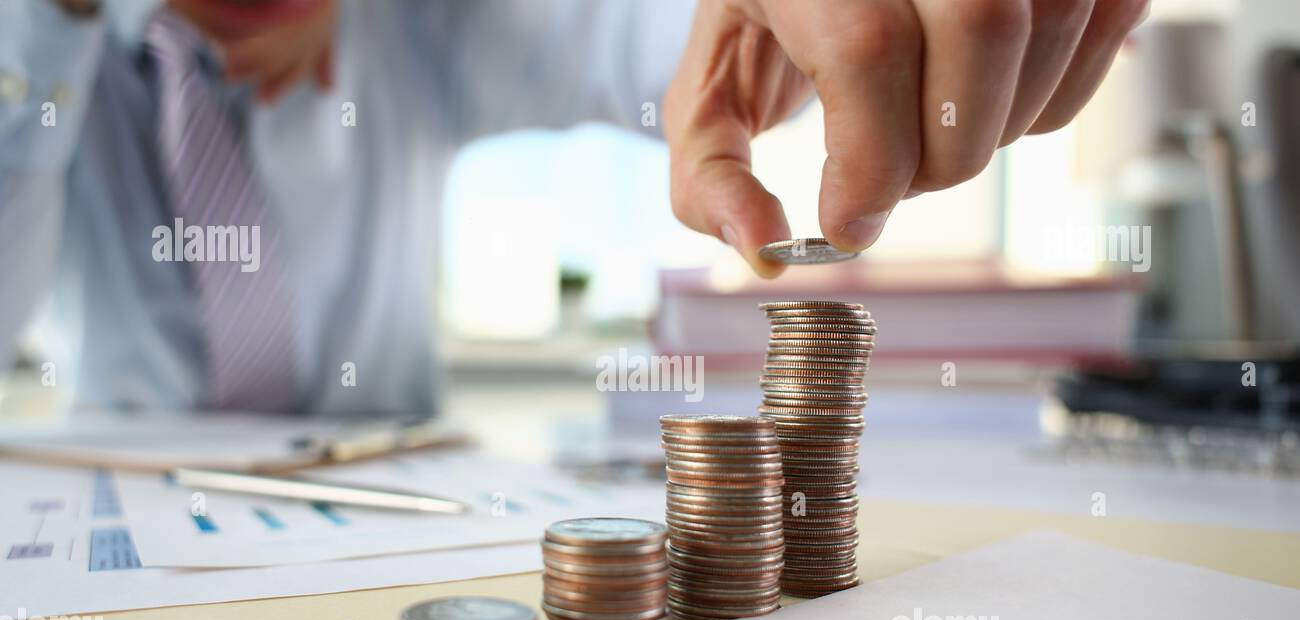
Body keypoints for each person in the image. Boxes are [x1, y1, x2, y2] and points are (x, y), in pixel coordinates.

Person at [0, 0, 1148, 415]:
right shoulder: (46, 58)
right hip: (129, 506)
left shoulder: (423, 27)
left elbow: (668, 38)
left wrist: (764, 26)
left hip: (392, 503)